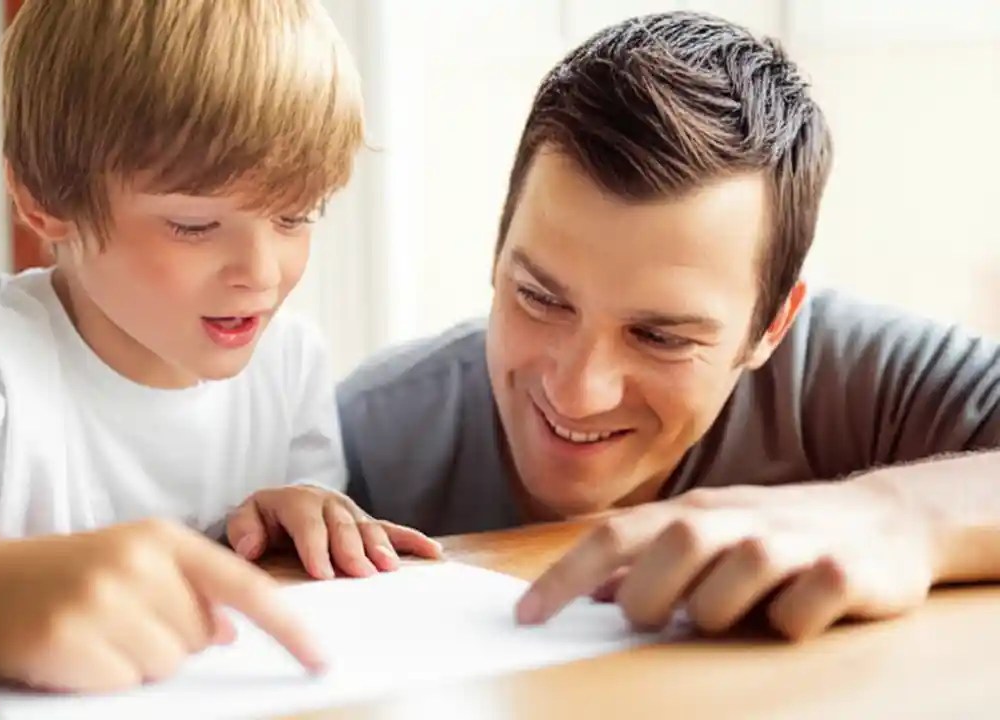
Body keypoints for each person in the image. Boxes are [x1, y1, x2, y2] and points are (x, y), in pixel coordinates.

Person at [0, 0, 438, 693]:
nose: (261, 271)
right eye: (193, 224)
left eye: (295, 213)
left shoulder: (290, 363)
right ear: (42, 202)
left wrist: (300, 522)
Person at [340, 10, 1000, 642]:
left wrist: (894, 516)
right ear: (497, 252)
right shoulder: (363, 441)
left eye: (660, 337)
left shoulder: (859, 381)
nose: (579, 393)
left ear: (772, 324)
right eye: (540, 298)